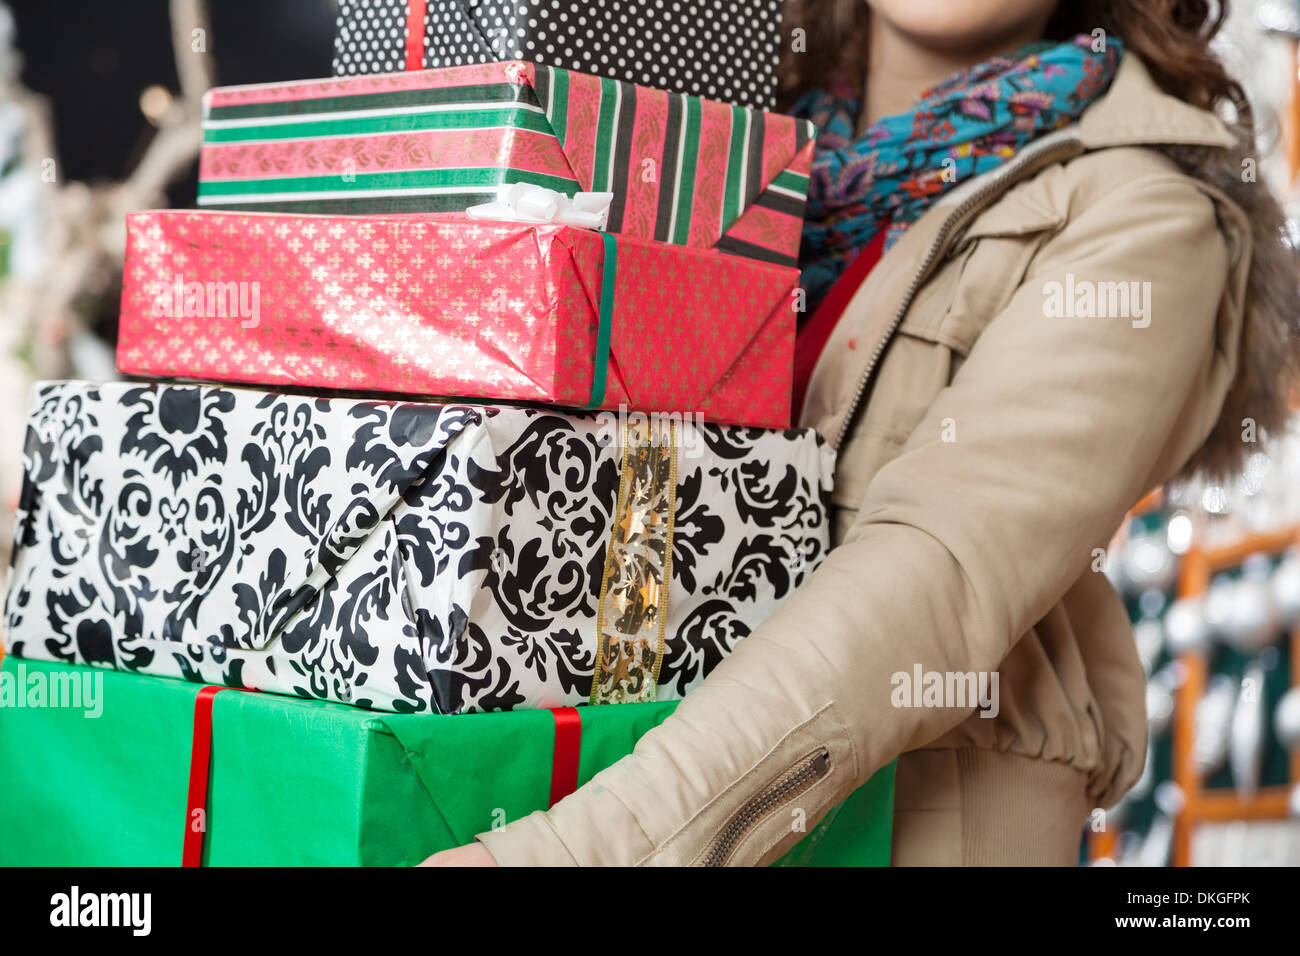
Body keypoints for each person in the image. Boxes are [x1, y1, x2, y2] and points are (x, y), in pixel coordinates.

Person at [425, 0, 1299, 866]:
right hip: (569, 772)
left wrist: (583, 852)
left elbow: (935, 570)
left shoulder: (1148, 215)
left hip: (901, 828)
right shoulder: (695, 140)